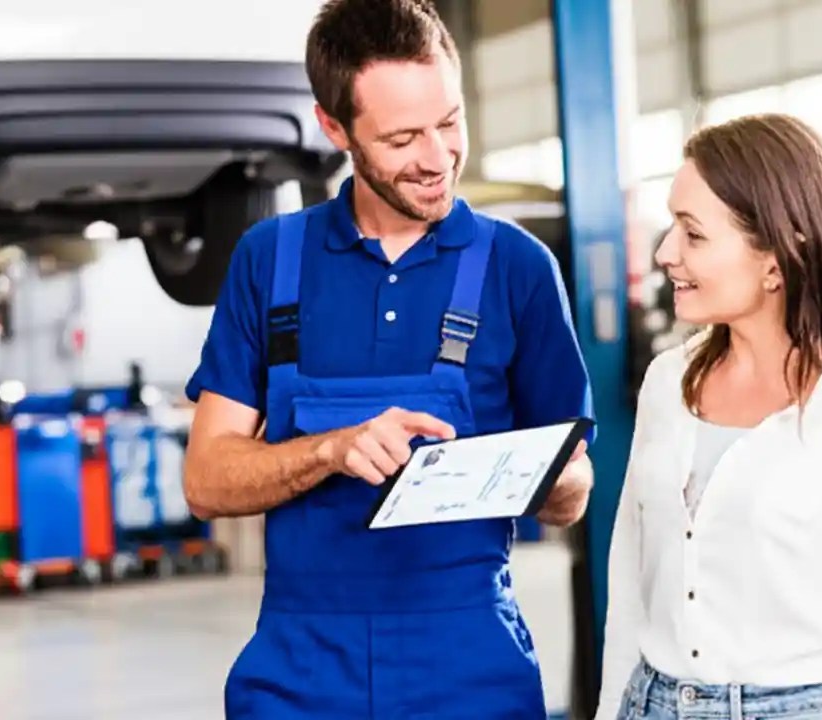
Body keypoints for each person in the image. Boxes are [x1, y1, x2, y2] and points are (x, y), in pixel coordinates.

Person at [181, 1, 595, 717]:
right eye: (403, 137)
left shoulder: (517, 268)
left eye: (449, 122)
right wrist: (330, 451)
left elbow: (575, 490)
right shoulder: (270, 260)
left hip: (469, 660)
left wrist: (535, 477)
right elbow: (206, 479)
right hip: (299, 663)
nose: (437, 159)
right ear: (334, 128)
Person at [596, 113, 822, 720]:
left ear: (777, 254)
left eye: (694, 234)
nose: (666, 253)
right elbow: (630, 581)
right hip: (650, 702)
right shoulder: (667, 382)